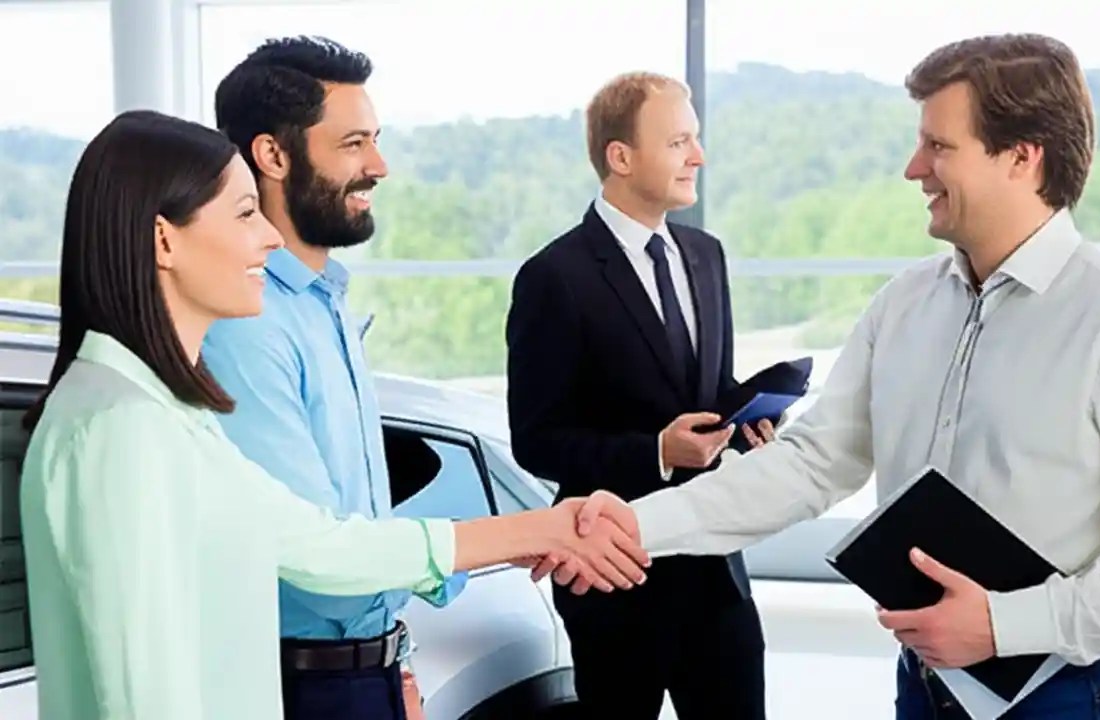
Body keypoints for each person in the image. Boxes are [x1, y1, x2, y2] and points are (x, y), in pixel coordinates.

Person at [566, 34, 1100, 718]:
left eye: (939, 146)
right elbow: (811, 464)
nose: (915, 168)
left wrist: (1008, 624)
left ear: (1023, 157)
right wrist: (632, 524)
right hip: (921, 684)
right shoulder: (906, 304)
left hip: (1055, 698)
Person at [18, 110, 648, 720]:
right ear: (164, 239)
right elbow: (142, 690)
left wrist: (536, 530)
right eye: (244, 214)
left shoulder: (161, 413)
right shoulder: (119, 427)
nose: (268, 234)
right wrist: (542, 530)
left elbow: (322, 544)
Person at [198, 36, 460, 720]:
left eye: (375, 140)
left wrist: (391, 658)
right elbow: (317, 561)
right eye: (353, 144)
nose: (380, 166)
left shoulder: (324, 301)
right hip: (300, 686)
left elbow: (356, 520)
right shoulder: (245, 322)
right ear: (273, 155)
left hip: (363, 671)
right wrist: (518, 540)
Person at [505, 71, 771, 720]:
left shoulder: (706, 255)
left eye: (697, 139)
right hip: (615, 579)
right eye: (680, 141)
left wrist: (745, 414)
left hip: (715, 570)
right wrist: (656, 451)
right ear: (620, 157)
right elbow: (536, 440)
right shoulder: (553, 277)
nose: (699, 157)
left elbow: (699, 391)